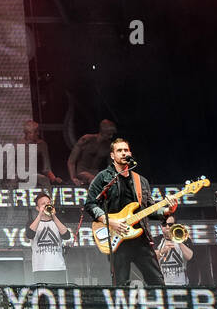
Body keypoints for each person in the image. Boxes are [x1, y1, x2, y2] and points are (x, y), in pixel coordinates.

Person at [84, 137, 169, 286]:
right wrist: (111, 222)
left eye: (126, 150)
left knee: (157, 281)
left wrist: (167, 210)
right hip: (117, 238)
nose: (124, 153)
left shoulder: (140, 180)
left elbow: (150, 208)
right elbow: (90, 204)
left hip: (140, 237)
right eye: (119, 150)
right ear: (112, 155)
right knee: (121, 284)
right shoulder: (103, 178)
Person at [27, 191, 72, 284]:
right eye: (43, 204)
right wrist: (40, 214)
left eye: (48, 203)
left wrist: (53, 216)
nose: (47, 205)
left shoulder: (57, 222)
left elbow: (67, 236)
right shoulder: (32, 223)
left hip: (58, 268)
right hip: (40, 269)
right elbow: (29, 234)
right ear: (37, 208)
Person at [69, 119, 117, 186]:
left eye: (112, 134)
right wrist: (73, 178)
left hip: (95, 174)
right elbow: (71, 161)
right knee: (93, 179)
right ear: (103, 131)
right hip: (82, 172)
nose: (111, 136)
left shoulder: (109, 146)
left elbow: (111, 166)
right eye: (109, 134)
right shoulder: (87, 140)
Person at [21, 120, 63, 188]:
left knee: (44, 180)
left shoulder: (41, 145)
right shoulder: (17, 146)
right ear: (28, 133)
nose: (38, 134)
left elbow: (46, 167)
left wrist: (53, 178)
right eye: (35, 132)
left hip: (34, 174)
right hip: (20, 175)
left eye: (38, 131)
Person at [156, 215, 194, 286]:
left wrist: (178, 239)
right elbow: (151, 257)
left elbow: (190, 256)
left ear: (175, 225)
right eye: (164, 224)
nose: (167, 227)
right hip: (162, 285)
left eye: (170, 224)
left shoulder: (185, 239)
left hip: (182, 284)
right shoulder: (157, 239)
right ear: (161, 226)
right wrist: (163, 250)